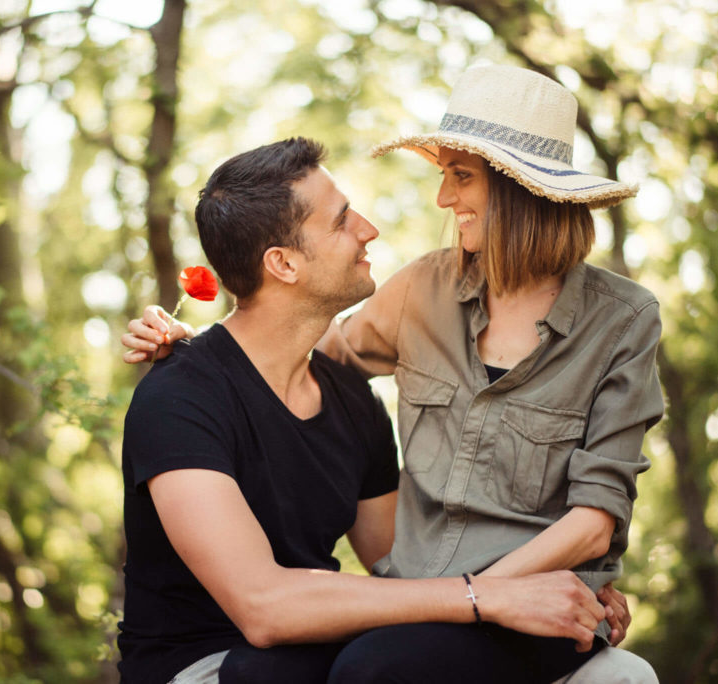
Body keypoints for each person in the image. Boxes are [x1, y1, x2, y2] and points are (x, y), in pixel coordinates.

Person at [122, 65, 663, 683]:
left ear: (519, 191)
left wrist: (518, 595)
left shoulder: (622, 320)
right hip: (397, 613)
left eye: (461, 177)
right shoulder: (422, 290)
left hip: (495, 605)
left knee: (369, 667)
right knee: (270, 673)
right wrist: (199, 351)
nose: (439, 200)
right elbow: (288, 348)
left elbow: (596, 517)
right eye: (341, 220)